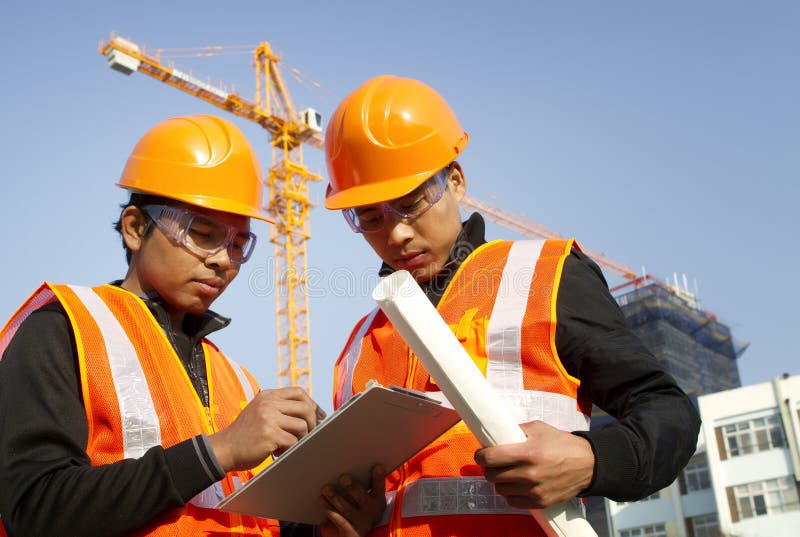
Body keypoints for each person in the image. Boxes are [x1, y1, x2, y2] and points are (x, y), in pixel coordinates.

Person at [322, 76, 702, 536]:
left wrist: (591, 460)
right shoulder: (359, 346)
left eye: (410, 202)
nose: (397, 233)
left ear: (456, 181)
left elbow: (667, 410)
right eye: (369, 217)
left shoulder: (546, 276)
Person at [0, 114, 377, 537]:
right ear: (136, 228)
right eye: (202, 233)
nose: (223, 260)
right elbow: (34, 508)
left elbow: (242, 523)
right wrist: (221, 450)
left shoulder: (237, 381)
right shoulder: (64, 328)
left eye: (238, 244)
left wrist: (327, 527)